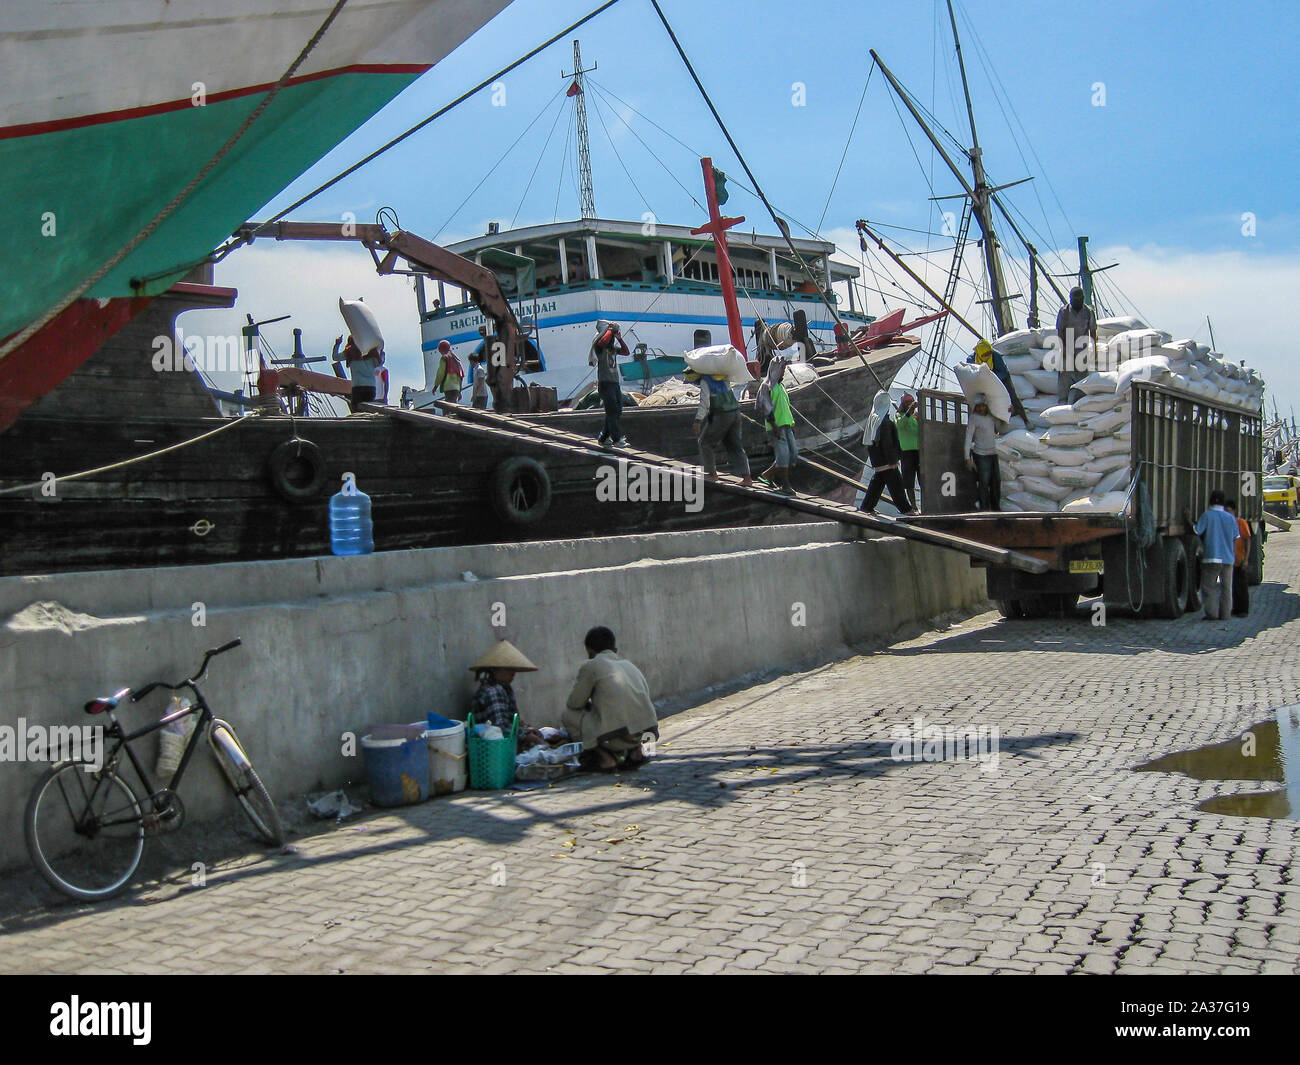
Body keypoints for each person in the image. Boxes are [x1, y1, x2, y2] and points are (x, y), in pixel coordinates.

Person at [563, 626, 659, 772]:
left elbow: (574, 703)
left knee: (568, 715)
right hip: (647, 733)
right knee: (630, 713)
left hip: (615, 737)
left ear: (590, 651)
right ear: (615, 650)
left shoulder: (592, 665)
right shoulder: (630, 666)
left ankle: (606, 759)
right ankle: (636, 751)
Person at [690, 370, 752, 485]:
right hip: (735, 413)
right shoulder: (722, 376)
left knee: (705, 443)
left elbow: (705, 403)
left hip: (721, 414)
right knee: (735, 445)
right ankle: (747, 478)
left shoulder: (705, 381)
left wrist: (698, 420)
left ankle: (711, 474)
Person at [468, 640, 538, 735]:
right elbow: (501, 728)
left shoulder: (506, 689)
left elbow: (514, 721)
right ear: (494, 671)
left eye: (514, 669)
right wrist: (529, 736)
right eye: (508, 669)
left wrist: (529, 729)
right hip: (492, 742)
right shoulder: (492, 691)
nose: (513, 673)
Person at [860, 391, 913, 514]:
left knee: (877, 484)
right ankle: (906, 510)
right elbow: (887, 444)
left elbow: (868, 441)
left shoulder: (872, 418)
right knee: (896, 485)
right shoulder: (885, 423)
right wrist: (893, 461)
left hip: (877, 460)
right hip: (887, 461)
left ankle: (867, 507)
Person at [1190, 489, 1239, 621]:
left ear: (1210, 501)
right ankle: (1225, 614)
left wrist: (1188, 518)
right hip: (1228, 559)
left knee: (1208, 587)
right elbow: (1235, 538)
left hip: (1212, 557)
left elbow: (1197, 530)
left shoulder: (1207, 516)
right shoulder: (1230, 518)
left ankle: (1212, 614)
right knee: (1226, 589)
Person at [757, 355, 797, 495]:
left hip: (786, 425)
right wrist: (774, 426)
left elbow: (785, 407)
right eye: (782, 369)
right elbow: (765, 407)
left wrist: (791, 425)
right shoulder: (766, 386)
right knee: (783, 456)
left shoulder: (781, 386)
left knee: (792, 455)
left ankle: (767, 475)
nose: (784, 372)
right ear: (775, 369)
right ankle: (785, 485)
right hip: (776, 427)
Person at [970, 339, 1029, 428]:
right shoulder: (972, 359)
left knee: (1012, 397)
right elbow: (971, 370)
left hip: (1002, 378)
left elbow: (1003, 372)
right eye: (985, 355)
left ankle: (1025, 420)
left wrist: (992, 378)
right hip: (984, 381)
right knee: (986, 402)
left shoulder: (996, 355)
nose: (988, 355)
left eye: (989, 353)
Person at [1055, 286, 1098, 404]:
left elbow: (1093, 332)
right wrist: (1063, 350)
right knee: (1065, 376)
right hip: (1067, 348)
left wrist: (1095, 351)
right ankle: (1063, 402)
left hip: (1082, 350)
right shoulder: (1064, 311)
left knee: (1081, 379)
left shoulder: (1088, 312)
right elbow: (1060, 331)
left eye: (1079, 299)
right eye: (1074, 299)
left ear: (1083, 299)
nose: (1077, 302)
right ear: (1070, 299)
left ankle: (1079, 403)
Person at [590, 320, 629, 447]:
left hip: (614, 383)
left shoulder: (613, 349)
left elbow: (626, 351)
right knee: (612, 411)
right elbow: (603, 341)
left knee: (617, 411)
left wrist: (620, 339)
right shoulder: (600, 347)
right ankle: (617, 439)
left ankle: (603, 437)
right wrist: (610, 330)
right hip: (605, 383)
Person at [964, 396, 1006, 511]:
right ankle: (984, 508)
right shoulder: (974, 418)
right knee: (984, 482)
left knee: (996, 481)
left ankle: (996, 507)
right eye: (979, 406)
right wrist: (967, 457)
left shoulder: (991, 417)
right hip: (980, 454)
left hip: (992, 453)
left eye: (983, 406)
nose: (982, 408)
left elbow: (1001, 429)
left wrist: (1007, 415)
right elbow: (968, 437)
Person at [334, 334, 378, 413]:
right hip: (371, 386)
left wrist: (337, 344)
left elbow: (335, 357)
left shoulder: (350, 351)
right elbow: (379, 363)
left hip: (358, 386)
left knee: (357, 411)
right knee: (369, 411)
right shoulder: (372, 352)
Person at [1225, 497, 1251, 617]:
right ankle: (1235, 609)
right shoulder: (1226, 523)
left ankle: (1243, 610)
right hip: (1230, 560)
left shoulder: (1241, 522)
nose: (1227, 513)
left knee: (1242, 586)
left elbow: (1247, 540)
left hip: (1240, 559)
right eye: (1226, 510)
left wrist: (1246, 559)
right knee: (1233, 586)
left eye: (1229, 510)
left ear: (1234, 511)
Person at [896, 392, 920, 512]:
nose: (909, 404)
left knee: (923, 479)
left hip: (919, 451)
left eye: (910, 402)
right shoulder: (899, 416)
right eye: (906, 402)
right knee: (909, 481)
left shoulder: (915, 417)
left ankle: (926, 505)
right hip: (906, 452)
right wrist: (910, 411)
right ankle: (914, 506)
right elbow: (901, 425)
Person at [431, 340, 465, 405]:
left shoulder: (444, 358)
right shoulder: (456, 359)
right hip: (456, 387)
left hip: (448, 386)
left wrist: (435, 386)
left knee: (448, 407)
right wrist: (459, 390)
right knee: (453, 404)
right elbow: (461, 375)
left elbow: (440, 374)